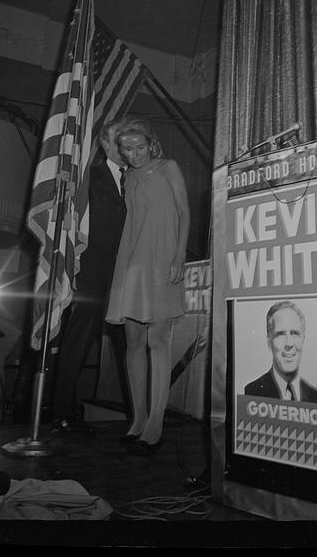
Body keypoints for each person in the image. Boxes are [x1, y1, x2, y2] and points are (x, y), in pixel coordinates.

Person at [105, 117, 190, 455]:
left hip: (163, 258)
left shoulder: (168, 167)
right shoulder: (128, 177)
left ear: (151, 144)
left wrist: (180, 255)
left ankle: (155, 421)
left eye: (140, 147)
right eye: (128, 149)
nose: (135, 153)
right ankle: (137, 419)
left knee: (158, 339)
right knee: (133, 339)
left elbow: (184, 212)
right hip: (132, 262)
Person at [49, 118, 131, 432]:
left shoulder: (136, 178)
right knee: (78, 342)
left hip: (126, 277)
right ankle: (60, 412)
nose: (124, 147)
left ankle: (139, 415)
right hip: (93, 274)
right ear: (104, 144)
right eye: (117, 140)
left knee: (129, 346)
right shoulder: (89, 178)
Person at [244, 300, 317, 404]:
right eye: (280, 334)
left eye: (294, 333)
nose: (289, 343)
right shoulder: (251, 394)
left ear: (303, 339)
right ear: (269, 341)